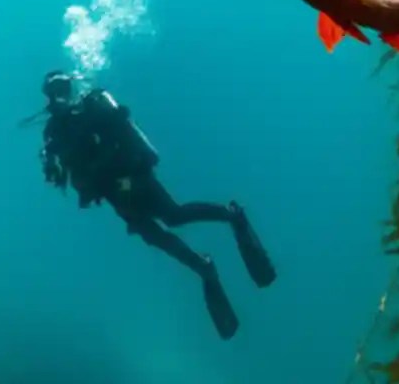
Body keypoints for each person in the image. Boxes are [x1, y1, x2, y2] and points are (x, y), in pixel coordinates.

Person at [36, 70, 276, 340]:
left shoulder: (93, 105)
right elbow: (59, 169)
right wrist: (53, 168)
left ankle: (229, 217)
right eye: (52, 91)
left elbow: (121, 129)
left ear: (71, 87)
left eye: (62, 87)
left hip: (131, 176)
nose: (58, 95)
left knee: (173, 216)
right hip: (113, 191)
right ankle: (202, 264)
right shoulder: (54, 131)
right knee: (153, 233)